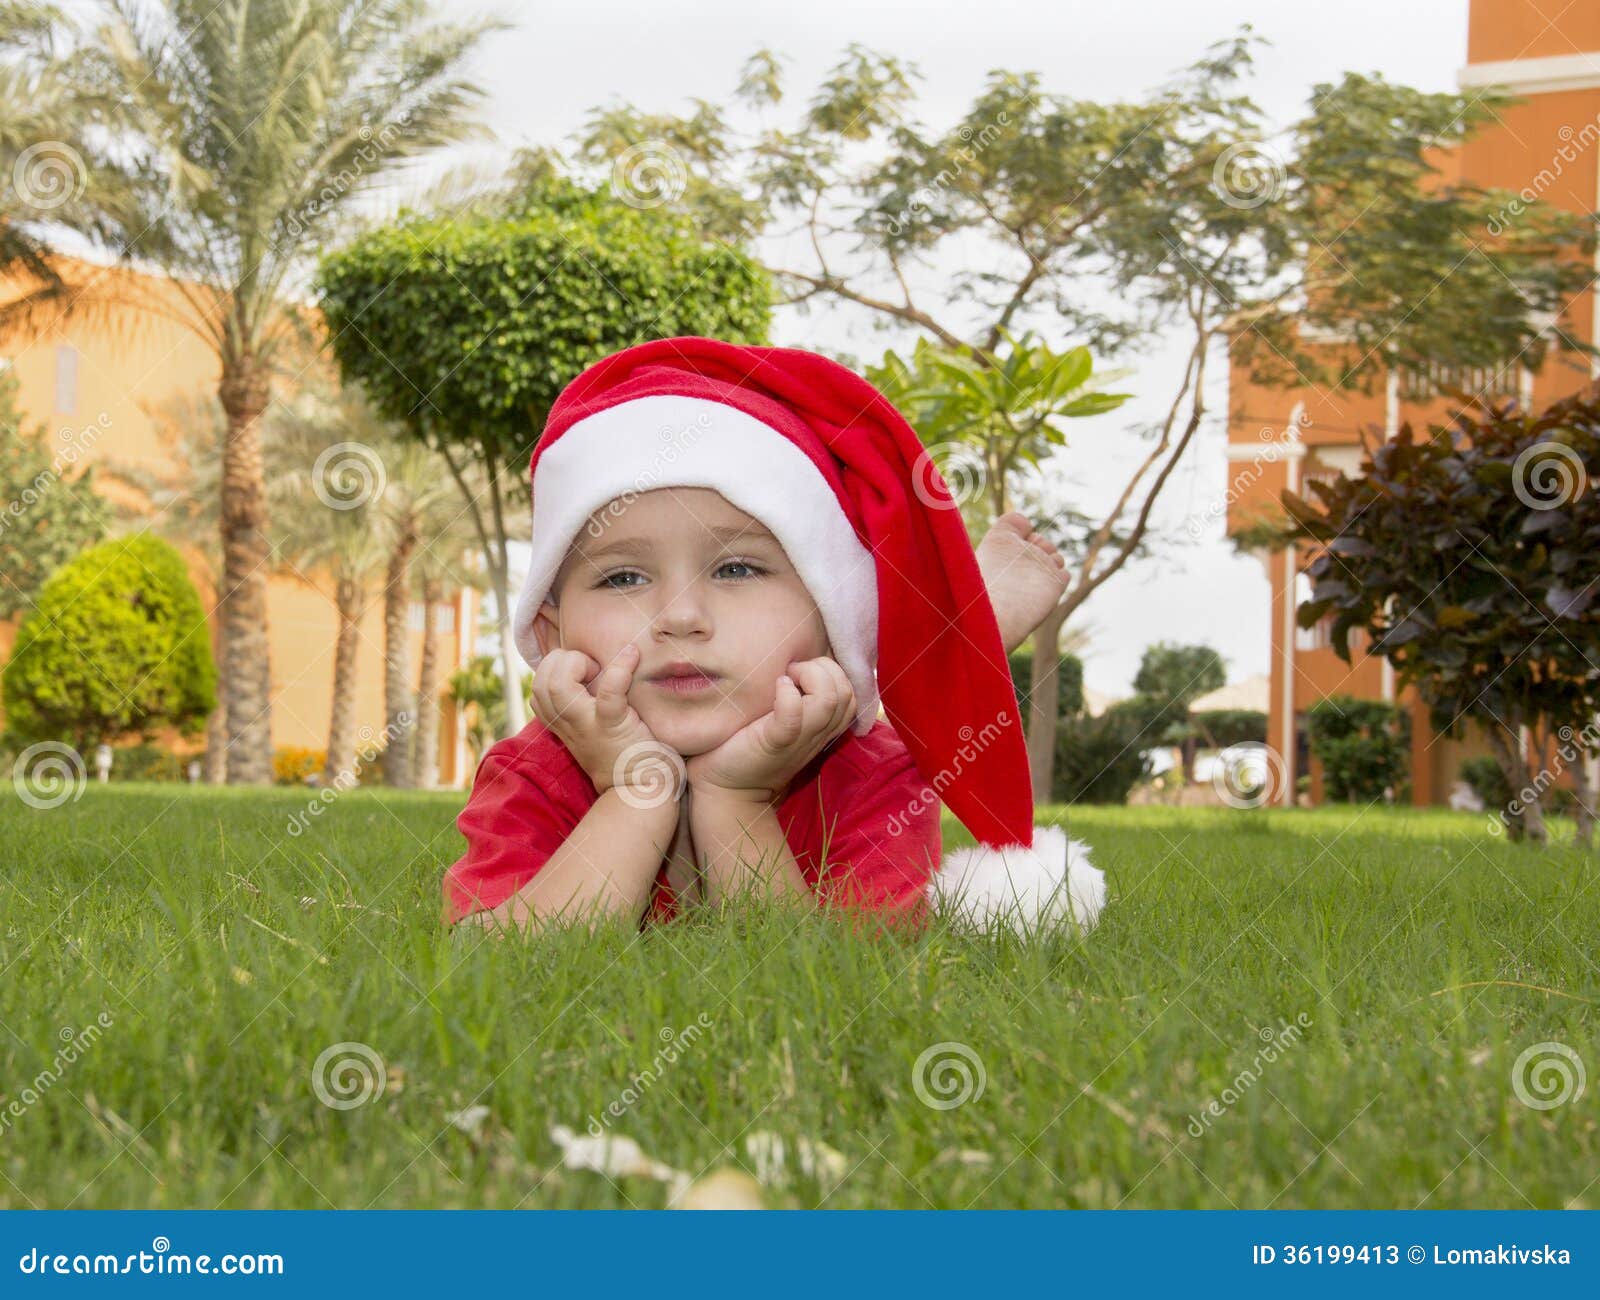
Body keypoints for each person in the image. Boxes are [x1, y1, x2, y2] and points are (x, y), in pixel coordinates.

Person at [443, 336, 1105, 938]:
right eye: (621, 577)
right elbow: (500, 967)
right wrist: (632, 791)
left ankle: (954, 634)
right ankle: (962, 627)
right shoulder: (534, 770)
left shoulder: (870, 776)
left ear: (832, 615)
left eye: (736, 568)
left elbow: (828, 988)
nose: (680, 616)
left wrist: (737, 799)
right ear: (551, 627)